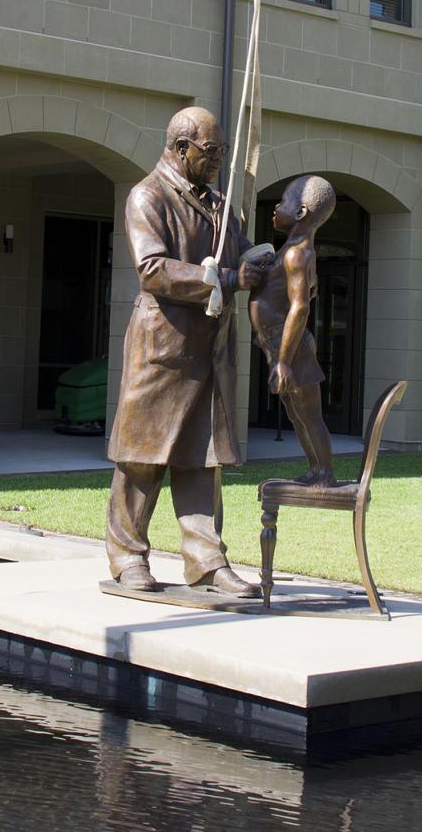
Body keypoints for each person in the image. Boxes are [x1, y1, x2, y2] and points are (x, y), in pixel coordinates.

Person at [105, 106, 267, 596]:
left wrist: (267, 267)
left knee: (203, 458)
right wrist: (219, 277)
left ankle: (206, 561)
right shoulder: (147, 196)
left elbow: (239, 260)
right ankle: (128, 557)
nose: (218, 160)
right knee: (142, 457)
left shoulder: (221, 207)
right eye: (210, 152)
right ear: (180, 149)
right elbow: (153, 268)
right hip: (162, 348)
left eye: (220, 151)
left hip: (209, 350)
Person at [248, 175, 337, 487]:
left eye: (284, 201)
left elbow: (300, 307)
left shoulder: (298, 253)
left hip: (292, 348)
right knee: (295, 413)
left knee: (309, 413)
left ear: (300, 212)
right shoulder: (291, 250)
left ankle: (325, 474)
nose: (276, 206)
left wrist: (284, 361)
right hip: (277, 345)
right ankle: (315, 470)